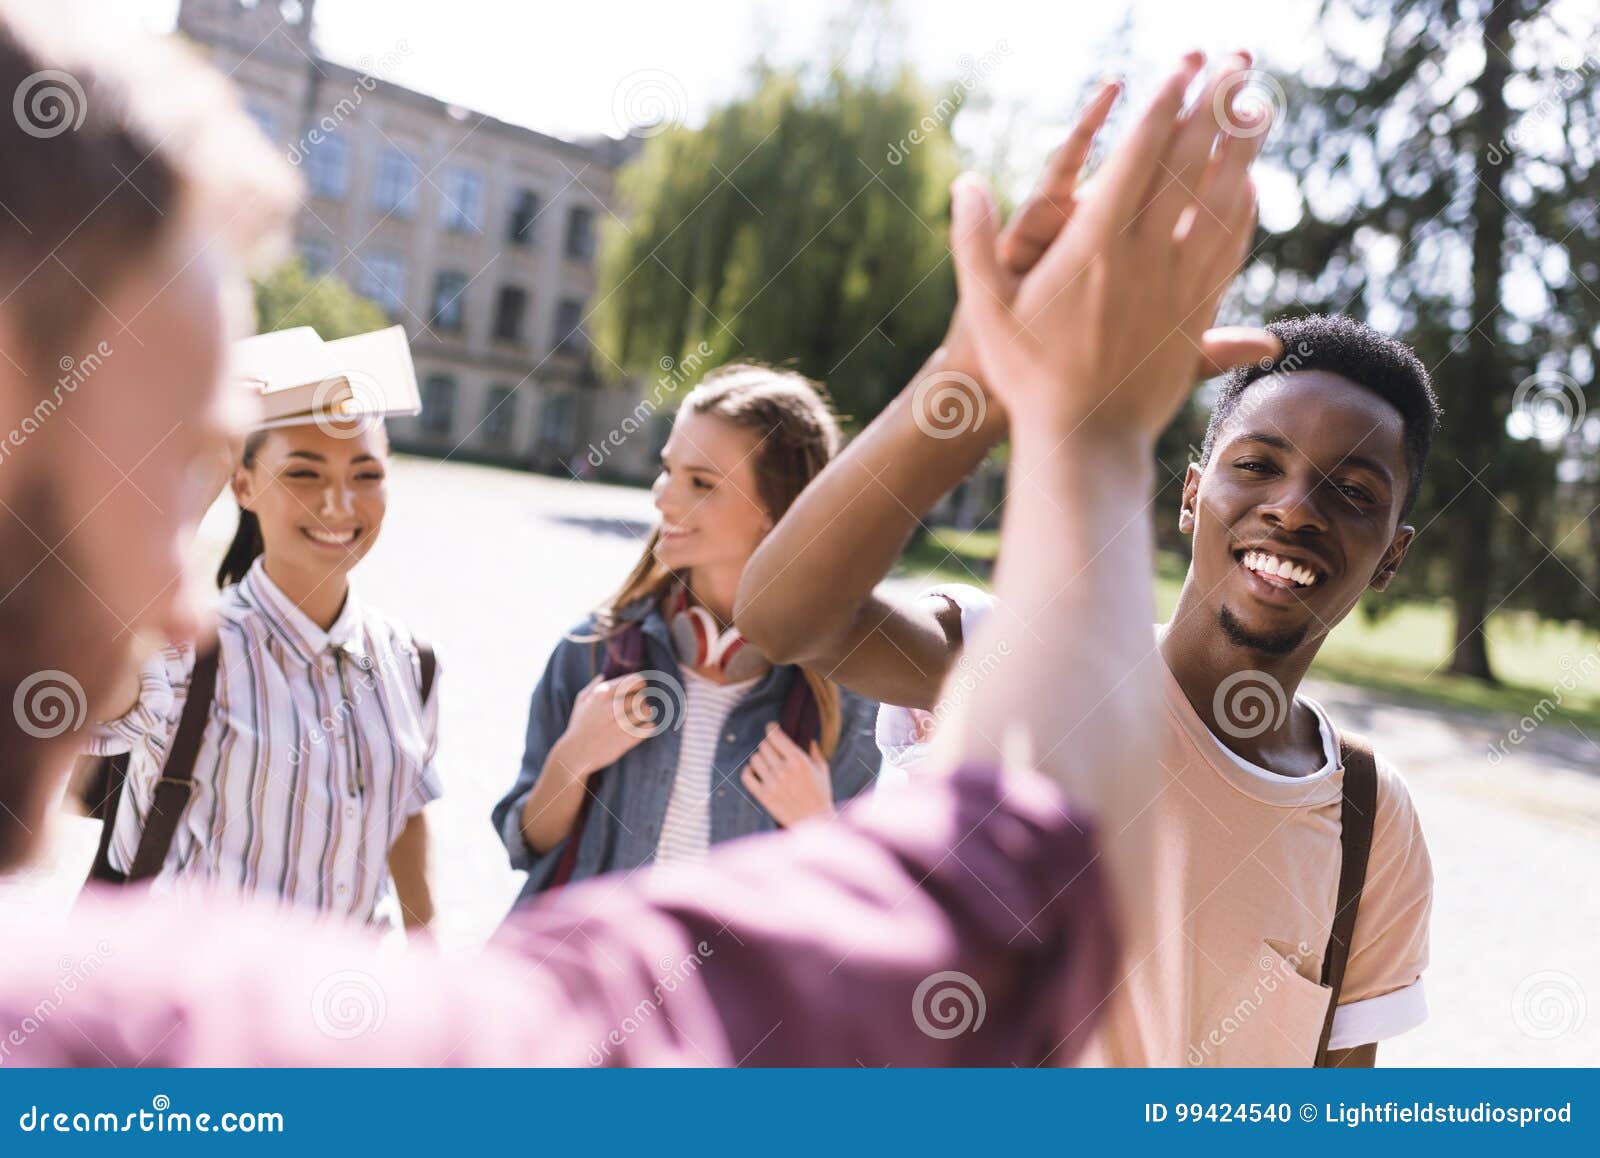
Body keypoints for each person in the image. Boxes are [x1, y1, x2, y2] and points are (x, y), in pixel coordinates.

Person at [0, 1, 1260, 1067]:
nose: (181, 599)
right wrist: (1082, 430)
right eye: (174, 474)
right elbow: (988, 915)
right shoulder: (155, 1026)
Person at [736, 57, 1437, 1067]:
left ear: (1389, 558)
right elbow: (789, 617)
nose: (1293, 509)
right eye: (1258, 466)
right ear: (1193, 493)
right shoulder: (1019, 659)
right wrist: (971, 374)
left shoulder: (1371, 821)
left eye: (1352, 493)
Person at [491, 366, 882, 897]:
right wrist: (572, 758)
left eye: (700, 483)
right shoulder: (591, 651)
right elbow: (526, 845)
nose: (662, 497)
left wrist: (820, 828)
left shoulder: (851, 698)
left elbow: (866, 906)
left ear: (779, 509)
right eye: (667, 469)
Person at [83, 405, 440, 930]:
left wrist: (429, 959)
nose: (339, 503)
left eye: (366, 474)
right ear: (243, 486)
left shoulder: (412, 661)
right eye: (304, 472)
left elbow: (404, 815)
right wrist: (190, 488)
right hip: (197, 998)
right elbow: (84, 698)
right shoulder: (192, 653)